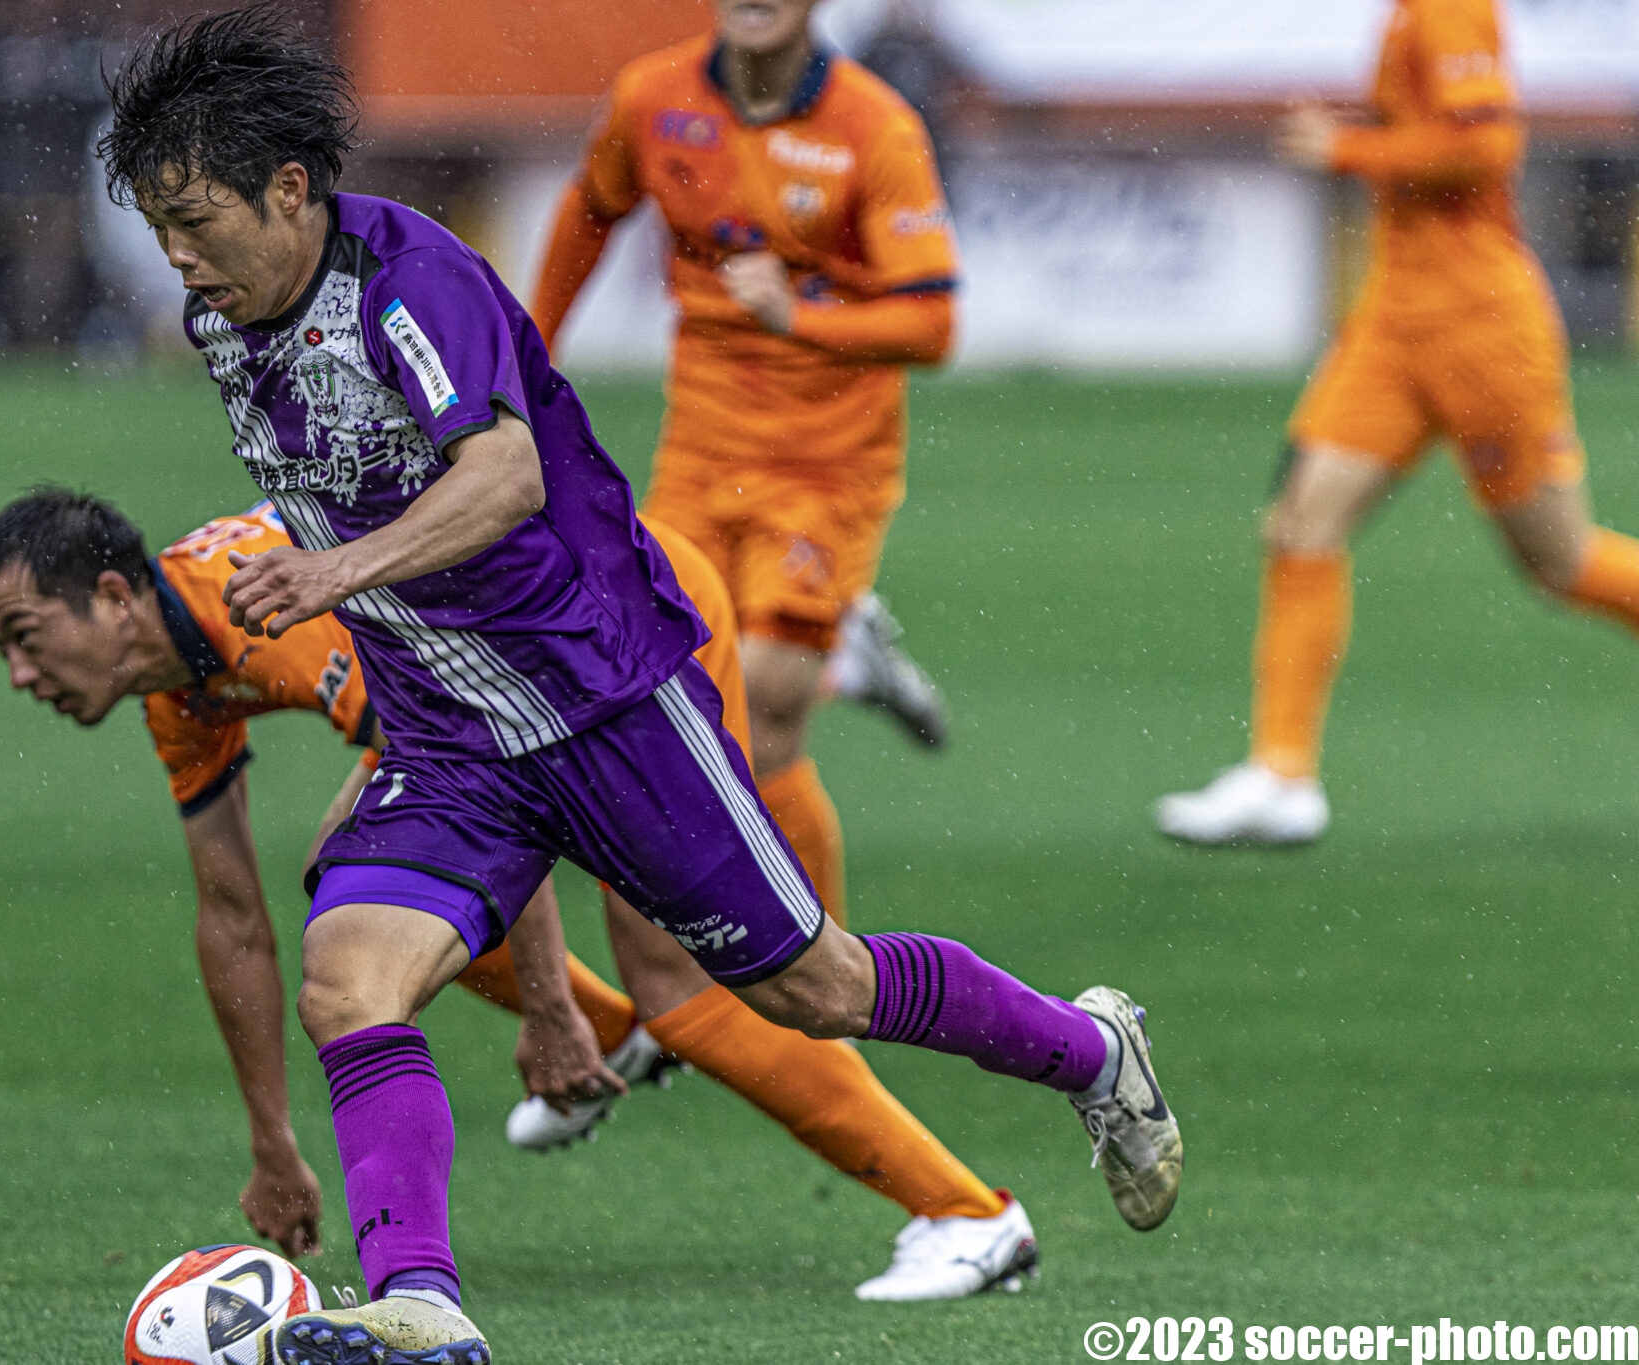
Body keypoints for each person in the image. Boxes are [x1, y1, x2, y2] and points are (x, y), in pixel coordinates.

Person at [101, 9, 1180, 1359]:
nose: (178, 258)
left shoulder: (405, 281)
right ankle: (422, 1304)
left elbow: (506, 479)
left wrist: (331, 578)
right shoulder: (228, 322)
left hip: (607, 701)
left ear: (291, 190)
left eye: (195, 220)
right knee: (348, 978)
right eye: (159, 228)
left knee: (816, 990)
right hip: (452, 740)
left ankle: (1091, 1053)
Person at [0, 489, 1043, 1301]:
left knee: (697, 980)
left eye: (24, 636)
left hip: (630, 617)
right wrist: (271, 1142)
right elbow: (232, 921)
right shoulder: (178, 685)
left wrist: (545, 1008)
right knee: (356, 884)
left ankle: (966, 1212)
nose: (19, 675)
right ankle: (624, 1038)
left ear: (112, 599)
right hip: (532, 676)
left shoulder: (268, 614)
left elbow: (480, 782)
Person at [1156, 0, 1639, 845]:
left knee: (1560, 563)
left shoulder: (1451, 8)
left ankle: (1280, 773)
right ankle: (1281, 774)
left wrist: (1346, 147)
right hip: (1397, 317)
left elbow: (1486, 147)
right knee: (1302, 523)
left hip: (1478, 323)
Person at [530, 0, 961, 930]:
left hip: (826, 468)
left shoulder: (873, 128)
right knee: (656, 700)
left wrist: (797, 318)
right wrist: (531, 354)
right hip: (703, 451)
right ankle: (687, 989)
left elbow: (932, 325)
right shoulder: (656, 98)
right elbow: (590, 208)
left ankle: (828, 989)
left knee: (762, 720)